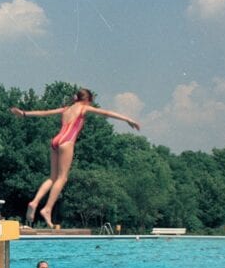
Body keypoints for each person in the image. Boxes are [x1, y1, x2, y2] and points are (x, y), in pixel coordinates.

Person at [11, 88, 140, 228]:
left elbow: (44, 113)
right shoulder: (84, 108)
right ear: (87, 100)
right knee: (62, 178)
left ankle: (35, 202)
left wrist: (24, 113)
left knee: (52, 177)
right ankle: (47, 208)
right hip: (67, 141)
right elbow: (106, 113)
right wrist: (127, 119)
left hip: (56, 140)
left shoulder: (66, 109)